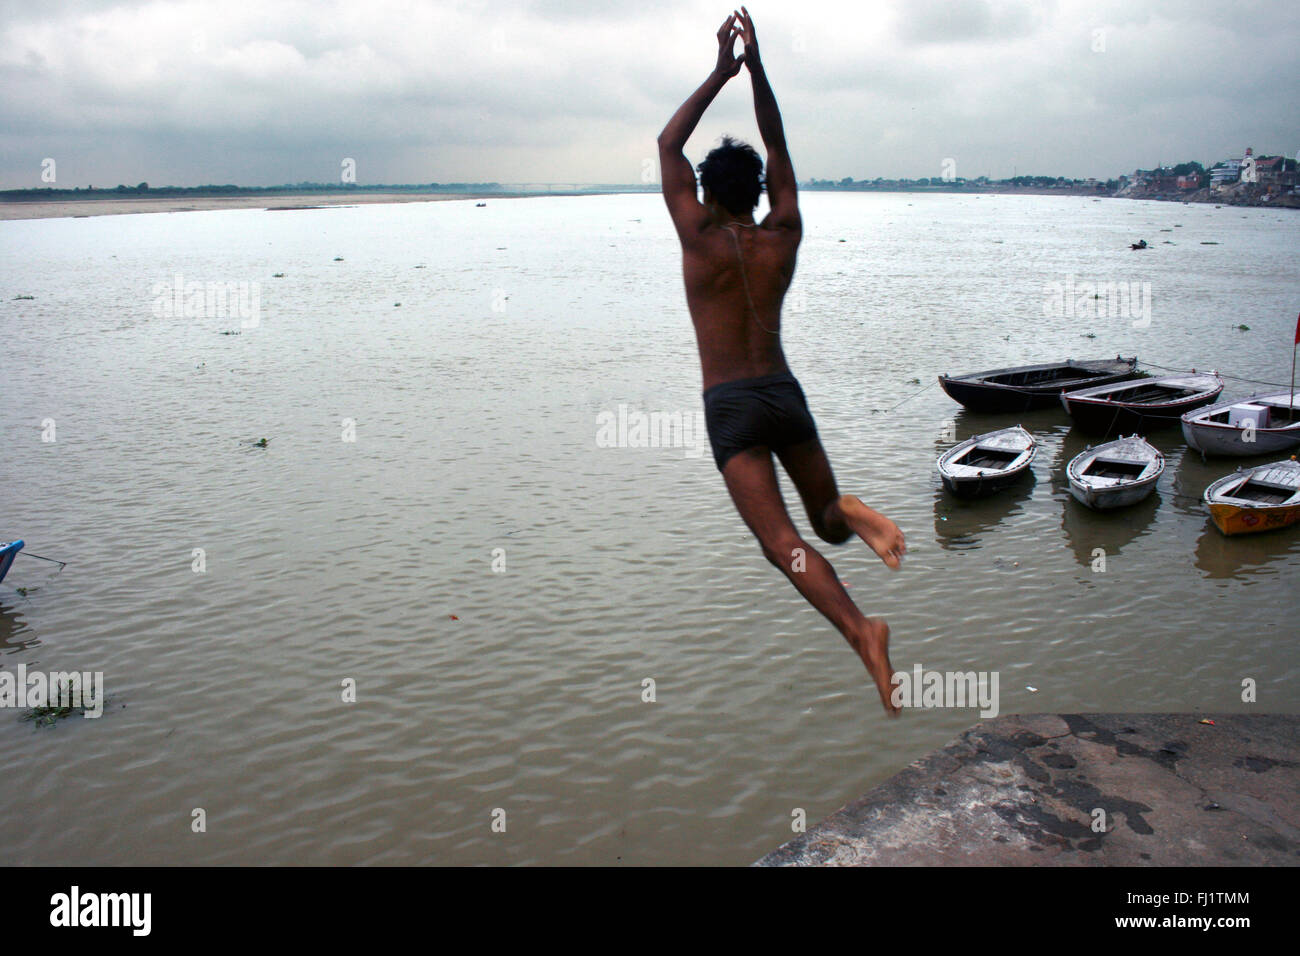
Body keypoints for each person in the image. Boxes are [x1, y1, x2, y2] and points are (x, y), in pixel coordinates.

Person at [656, 8, 906, 715]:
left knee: (783, 544)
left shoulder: (698, 236)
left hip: (733, 408)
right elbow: (779, 142)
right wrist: (759, 69)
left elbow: (668, 141)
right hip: (783, 395)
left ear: (705, 193)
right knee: (826, 520)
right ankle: (849, 510)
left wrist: (720, 70)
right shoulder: (784, 234)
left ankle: (862, 630)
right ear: (761, 194)